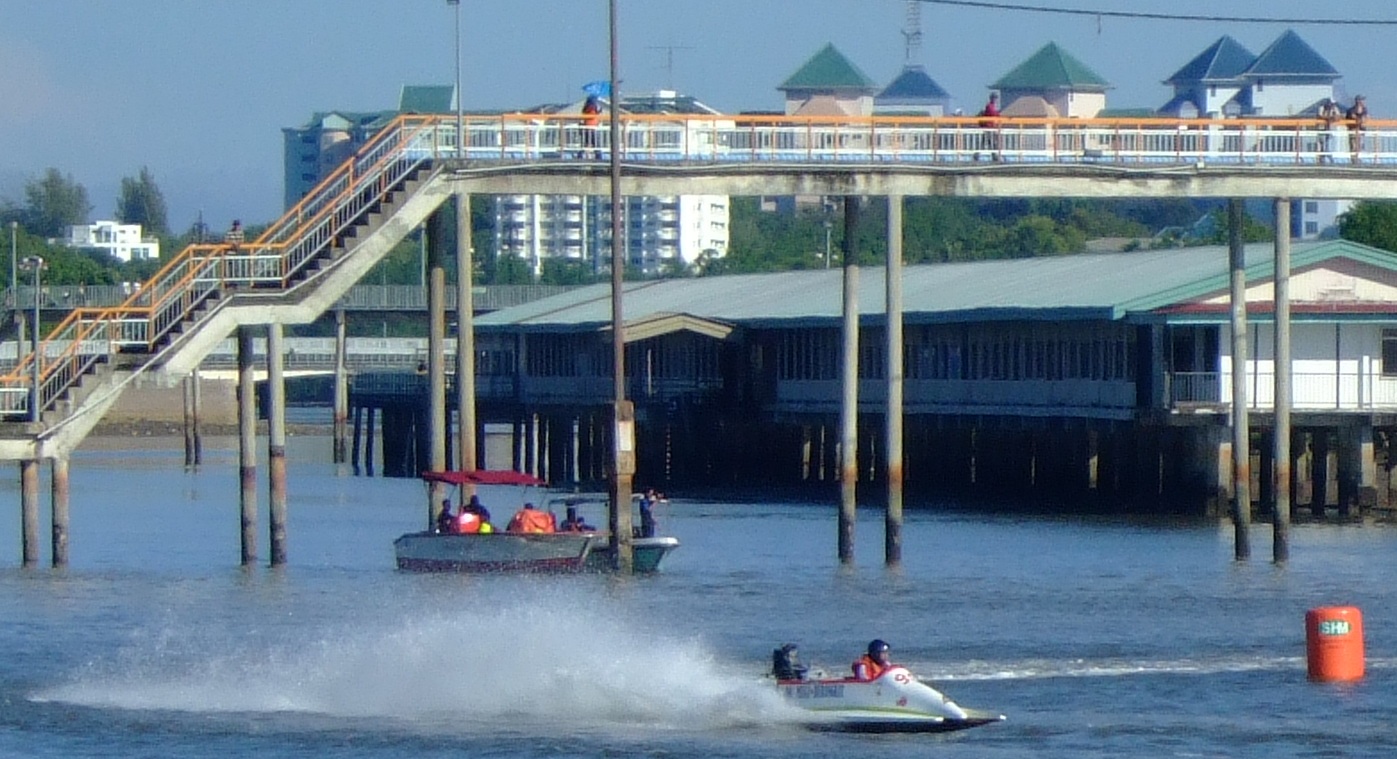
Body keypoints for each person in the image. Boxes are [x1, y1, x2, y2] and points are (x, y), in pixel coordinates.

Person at [978, 92, 1002, 161]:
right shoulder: (989, 106)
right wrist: (998, 114)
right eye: (994, 98)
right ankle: (979, 155)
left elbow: (995, 114)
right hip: (988, 127)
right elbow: (993, 113)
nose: (995, 99)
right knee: (989, 142)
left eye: (996, 98)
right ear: (991, 98)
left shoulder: (993, 106)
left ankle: (994, 156)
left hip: (991, 127)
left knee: (990, 142)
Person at [1318, 98, 1341, 163]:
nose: (1332, 105)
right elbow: (1320, 116)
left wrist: (1333, 118)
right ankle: (1322, 159)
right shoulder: (1322, 108)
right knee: (1322, 144)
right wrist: (1329, 118)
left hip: (1331, 129)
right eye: (1331, 104)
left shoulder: (1335, 108)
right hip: (1322, 129)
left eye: (1333, 104)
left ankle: (1330, 157)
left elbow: (1338, 116)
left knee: (1329, 144)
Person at [1347, 95, 1368, 162]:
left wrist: (1362, 120)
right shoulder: (1352, 110)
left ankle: (1358, 158)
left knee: (1360, 145)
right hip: (1353, 130)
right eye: (1362, 100)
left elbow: (1366, 117)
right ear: (1358, 101)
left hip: (1361, 130)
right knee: (1353, 145)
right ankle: (1353, 160)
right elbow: (1352, 116)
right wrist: (1359, 119)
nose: (1363, 102)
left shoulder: (1364, 109)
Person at [581, 95, 602, 159]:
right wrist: (597, 110)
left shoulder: (587, 107)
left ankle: (580, 155)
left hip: (589, 127)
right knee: (595, 144)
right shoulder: (591, 107)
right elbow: (592, 115)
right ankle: (598, 157)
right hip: (591, 128)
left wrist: (598, 110)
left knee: (586, 143)